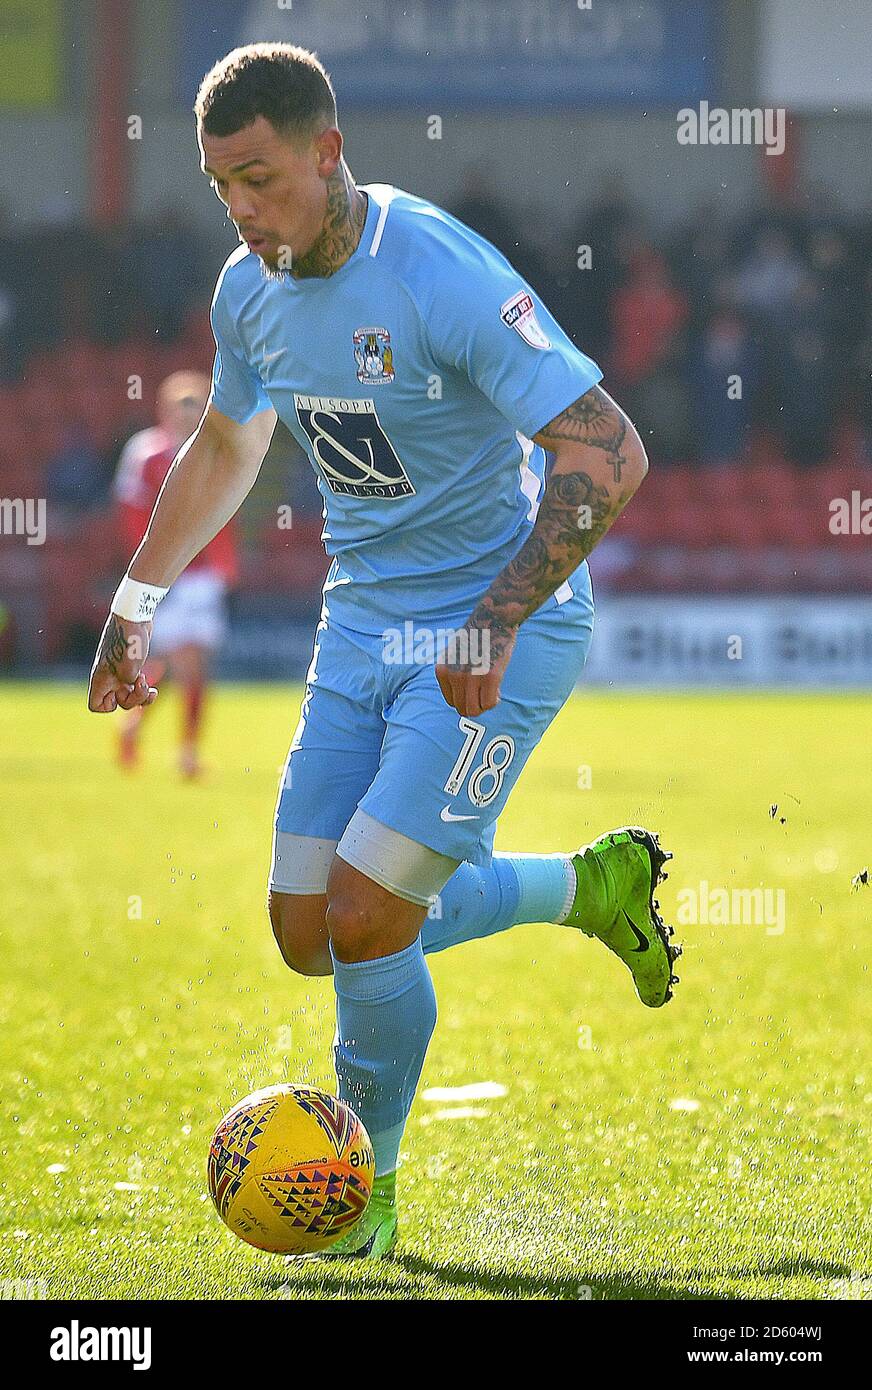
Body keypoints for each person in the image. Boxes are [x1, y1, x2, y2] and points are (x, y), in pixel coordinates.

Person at [87, 43, 680, 1259]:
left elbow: (607, 451)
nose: (244, 211)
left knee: (365, 916)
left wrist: (501, 612)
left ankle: (364, 1190)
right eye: (221, 189)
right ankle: (587, 887)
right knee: (306, 930)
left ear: (327, 152)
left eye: (260, 178)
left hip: (490, 634)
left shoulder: (439, 271)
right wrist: (135, 602)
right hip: (358, 625)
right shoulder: (246, 291)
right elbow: (222, 449)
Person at [112, 371, 237, 776]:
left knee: (189, 663)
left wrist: (224, 560)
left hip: (200, 576)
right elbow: (131, 513)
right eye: (182, 405)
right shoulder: (146, 453)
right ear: (165, 408)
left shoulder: (213, 452)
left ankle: (166, 740)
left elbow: (222, 515)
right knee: (184, 661)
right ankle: (177, 747)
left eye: (196, 405)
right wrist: (148, 567)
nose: (189, 414)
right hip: (167, 576)